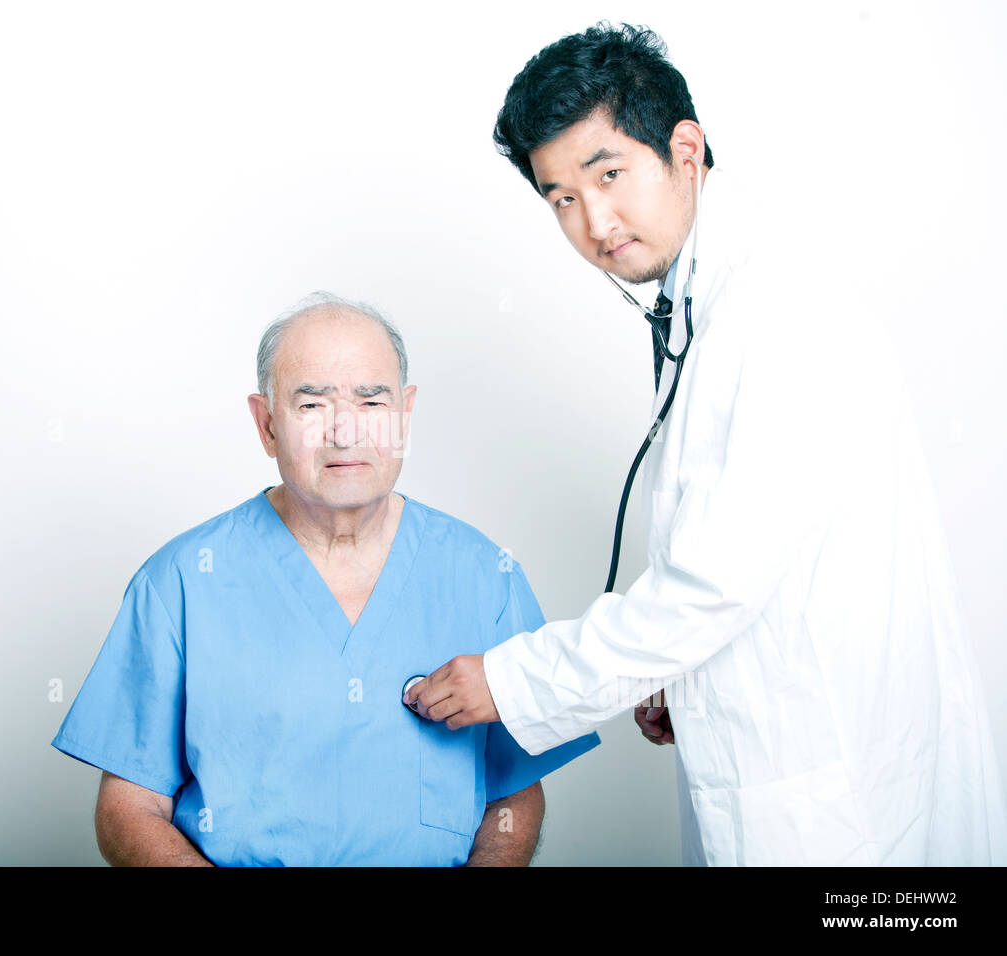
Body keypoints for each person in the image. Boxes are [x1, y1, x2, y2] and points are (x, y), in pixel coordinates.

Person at [404, 22, 1007, 865]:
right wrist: (680, 678)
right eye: (561, 199)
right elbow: (747, 550)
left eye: (608, 174)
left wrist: (512, 681)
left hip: (835, 803)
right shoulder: (703, 306)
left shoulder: (776, 315)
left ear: (685, 150)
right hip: (795, 759)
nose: (594, 222)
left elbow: (713, 584)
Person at [52, 292, 599, 866]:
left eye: (372, 402)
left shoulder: (485, 576)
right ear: (266, 424)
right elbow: (128, 808)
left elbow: (514, 792)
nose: (346, 432)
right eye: (312, 405)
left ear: (404, 416)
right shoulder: (180, 583)